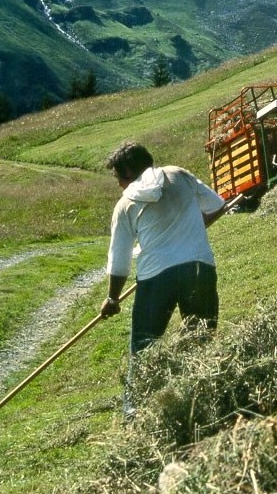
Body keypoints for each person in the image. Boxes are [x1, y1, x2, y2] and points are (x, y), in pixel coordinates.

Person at [99, 142, 228, 403]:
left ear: (128, 173)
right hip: (199, 269)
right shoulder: (179, 175)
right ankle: (205, 398)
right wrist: (191, 228)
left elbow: (119, 258)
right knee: (200, 337)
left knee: (144, 348)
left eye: (118, 178)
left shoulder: (125, 205)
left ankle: (136, 411)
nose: (118, 185)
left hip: (156, 279)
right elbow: (217, 204)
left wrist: (113, 299)